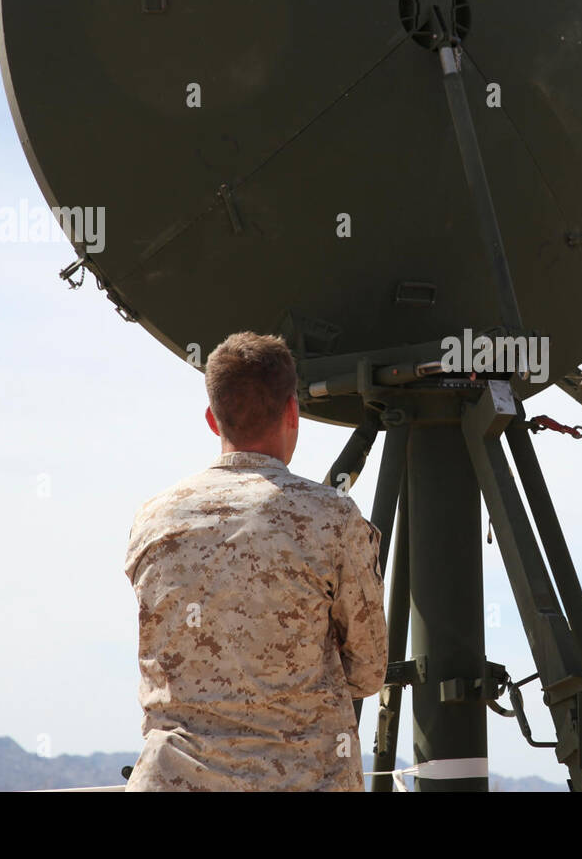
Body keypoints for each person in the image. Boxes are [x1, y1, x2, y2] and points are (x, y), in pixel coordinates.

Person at [123, 331, 387, 791]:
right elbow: (366, 670)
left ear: (212, 418)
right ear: (292, 411)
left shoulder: (153, 519)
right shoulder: (332, 519)